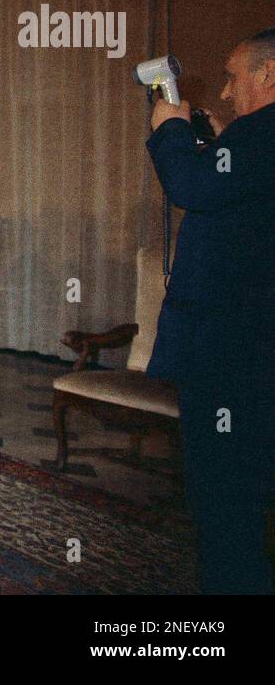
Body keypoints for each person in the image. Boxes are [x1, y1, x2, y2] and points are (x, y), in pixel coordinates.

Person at [146, 30, 275, 594]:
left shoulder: (263, 132)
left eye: (232, 76)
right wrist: (221, 144)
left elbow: (191, 187)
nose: (224, 91)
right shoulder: (251, 139)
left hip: (230, 344)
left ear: (267, 74)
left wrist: (169, 128)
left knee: (224, 491)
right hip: (253, 339)